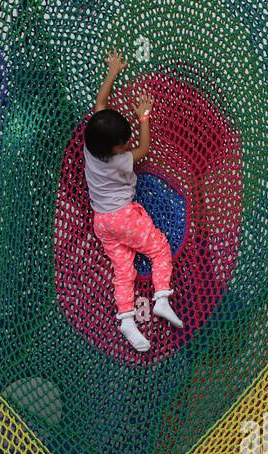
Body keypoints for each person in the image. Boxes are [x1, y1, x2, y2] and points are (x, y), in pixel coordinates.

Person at [84, 50, 182, 353]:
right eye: (123, 142)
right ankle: (162, 297)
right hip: (123, 217)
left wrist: (112, 70)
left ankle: (126, 319)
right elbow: (144, 150)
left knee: (123, 271)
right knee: (159, 247)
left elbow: (101, 105)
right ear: (116, 149)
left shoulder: (91, 146)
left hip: (102, 221)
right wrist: (143, 117)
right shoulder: (123, 160)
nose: (127, 144)